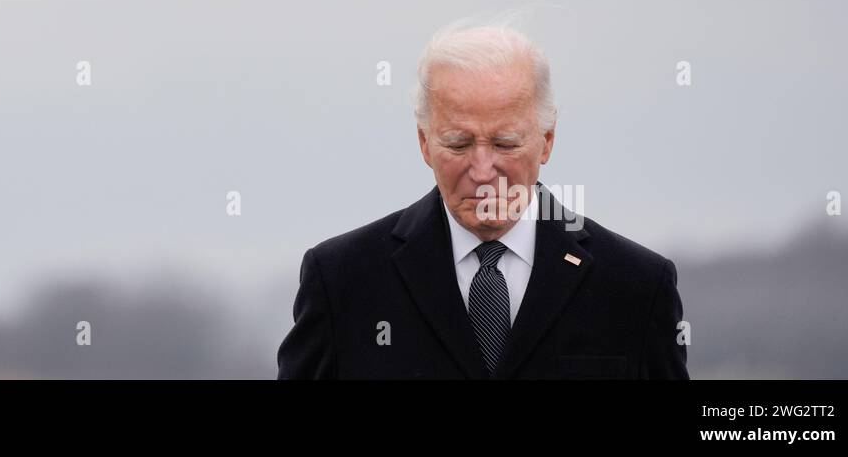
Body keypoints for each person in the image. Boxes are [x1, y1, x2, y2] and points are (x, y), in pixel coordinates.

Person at [276, 22, 689, 379]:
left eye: (505, 143)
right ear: (424, 142)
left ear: (547, 141)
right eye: (458, 144)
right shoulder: (341, 282)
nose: (482, 170)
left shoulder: (636, 288)